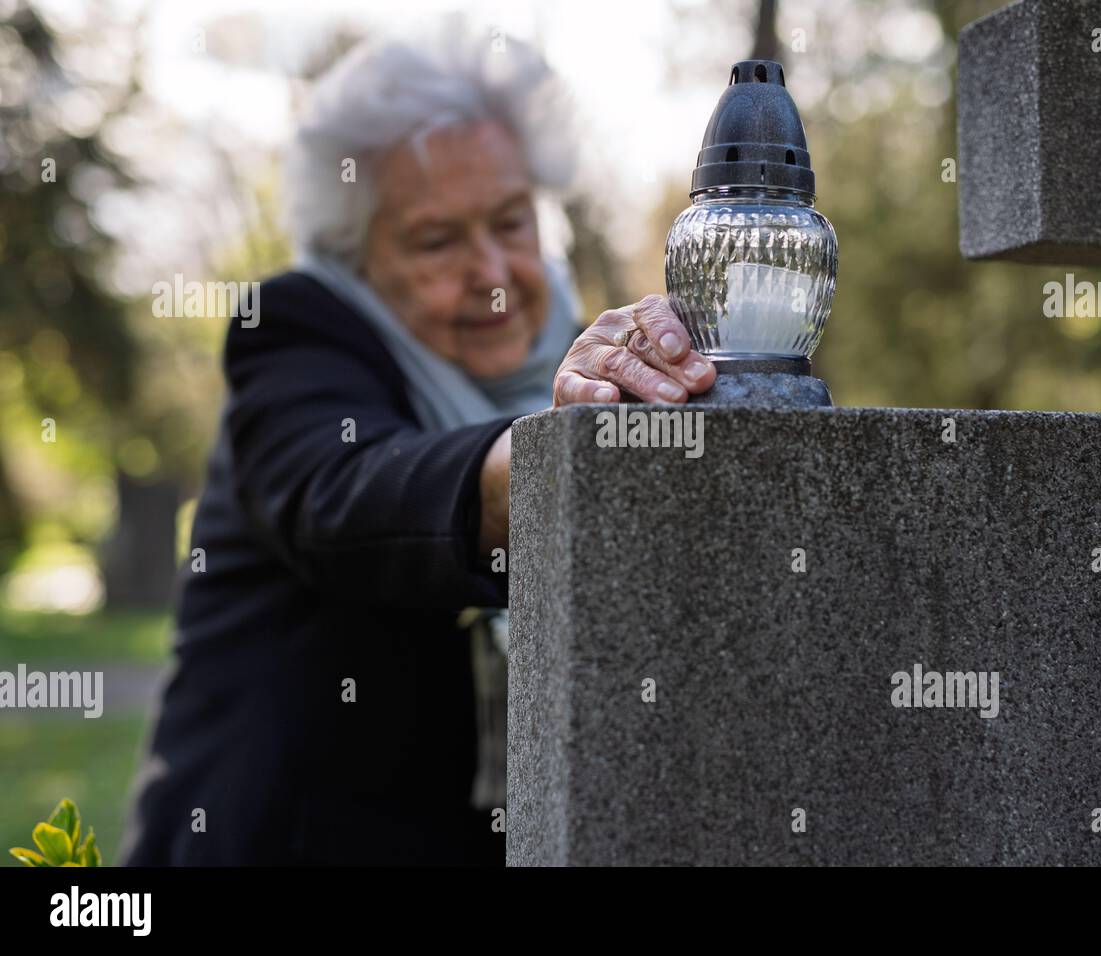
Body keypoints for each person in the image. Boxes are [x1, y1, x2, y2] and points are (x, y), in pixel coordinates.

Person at [117, 26, 716, 866]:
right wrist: (558, 460)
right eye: (438, 241)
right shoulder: (297, 332)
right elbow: (349, 494)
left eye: (512, 222)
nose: (495, 272)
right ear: (357, 255)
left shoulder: (582, 354)